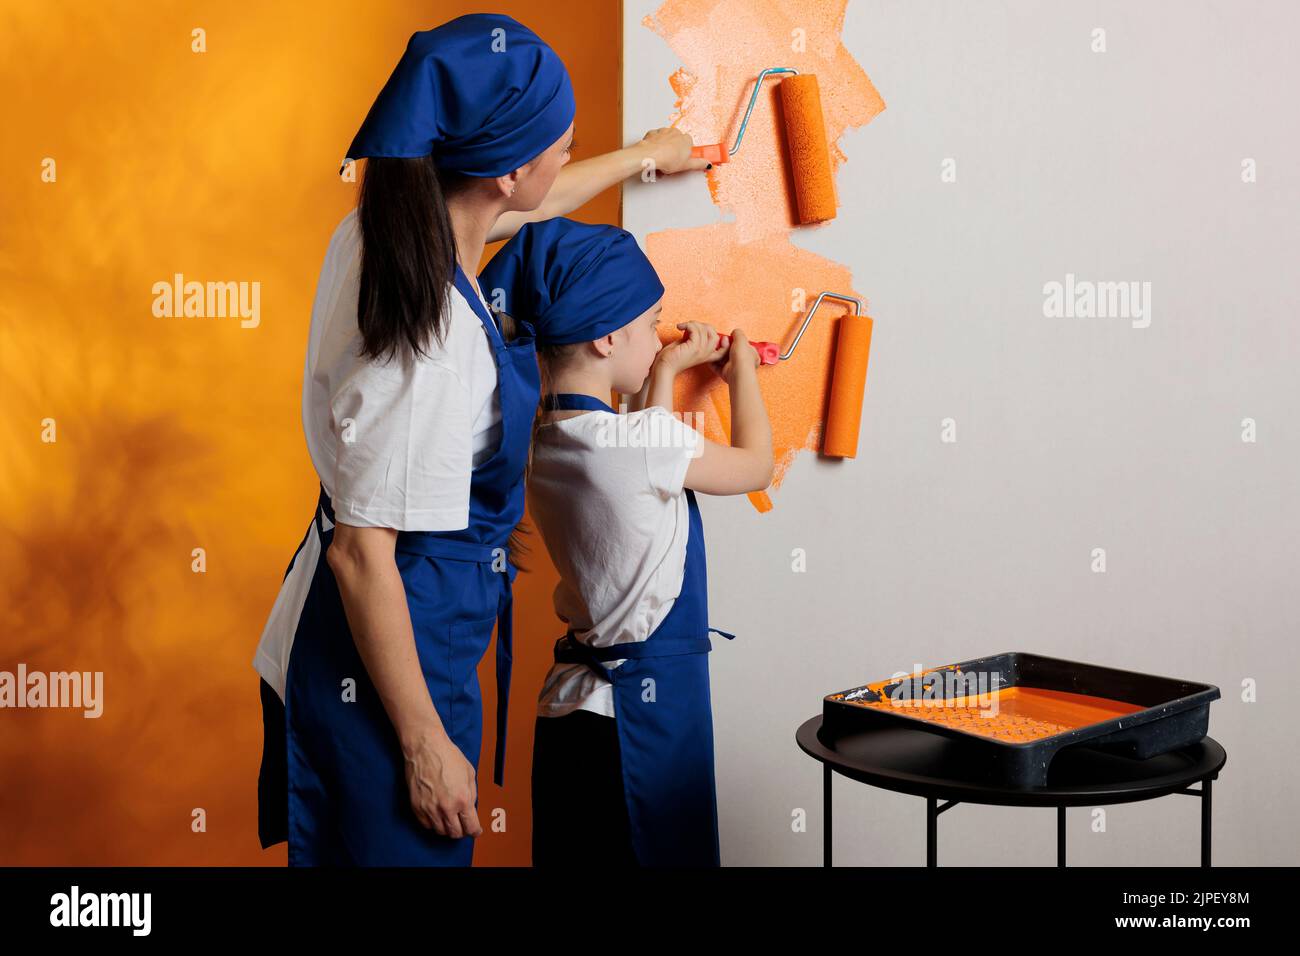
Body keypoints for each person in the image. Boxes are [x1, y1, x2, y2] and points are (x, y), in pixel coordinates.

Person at [252, 14, 706, 866]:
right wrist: (423, 744)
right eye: (564, 146)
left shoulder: (393, 229)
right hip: (386, 646)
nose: (568, 157)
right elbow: (362, 553)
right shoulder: (430, 346)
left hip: (412, 626)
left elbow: (536, 198)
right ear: (506, 172)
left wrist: (648, 155)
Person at [479, 217, 774, 866]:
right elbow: (755, 466)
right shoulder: (642, 444)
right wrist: (743, 372)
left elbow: (635, 483)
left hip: (570, 716)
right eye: (652, 324)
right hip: (638, 721)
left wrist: (665, 368)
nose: (658, 336)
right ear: (608, 337)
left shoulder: (542, 440)